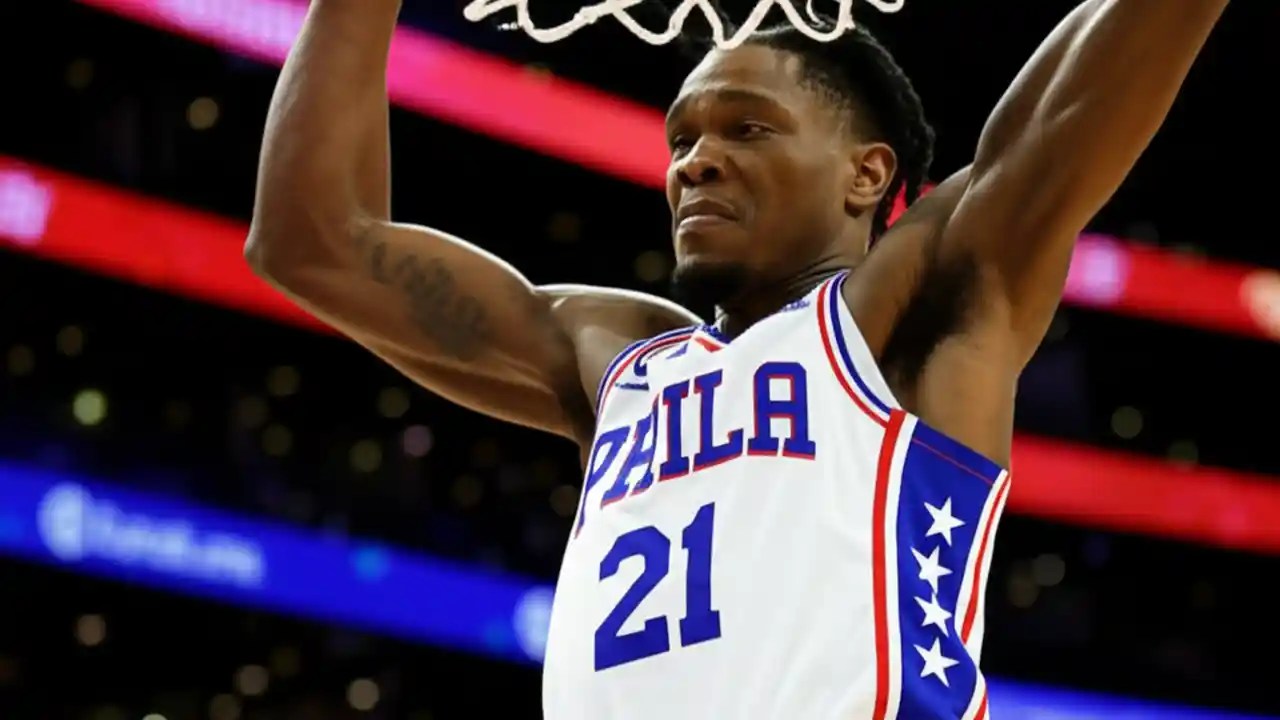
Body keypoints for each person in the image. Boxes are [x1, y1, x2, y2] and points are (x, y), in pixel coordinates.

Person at [244, 0, 1229, 717]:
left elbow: (1066, 110)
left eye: (745, 128)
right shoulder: (618, 356)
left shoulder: (916, 306)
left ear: (865, 172)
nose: (692, 162)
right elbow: (312, 240)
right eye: (681, 138)